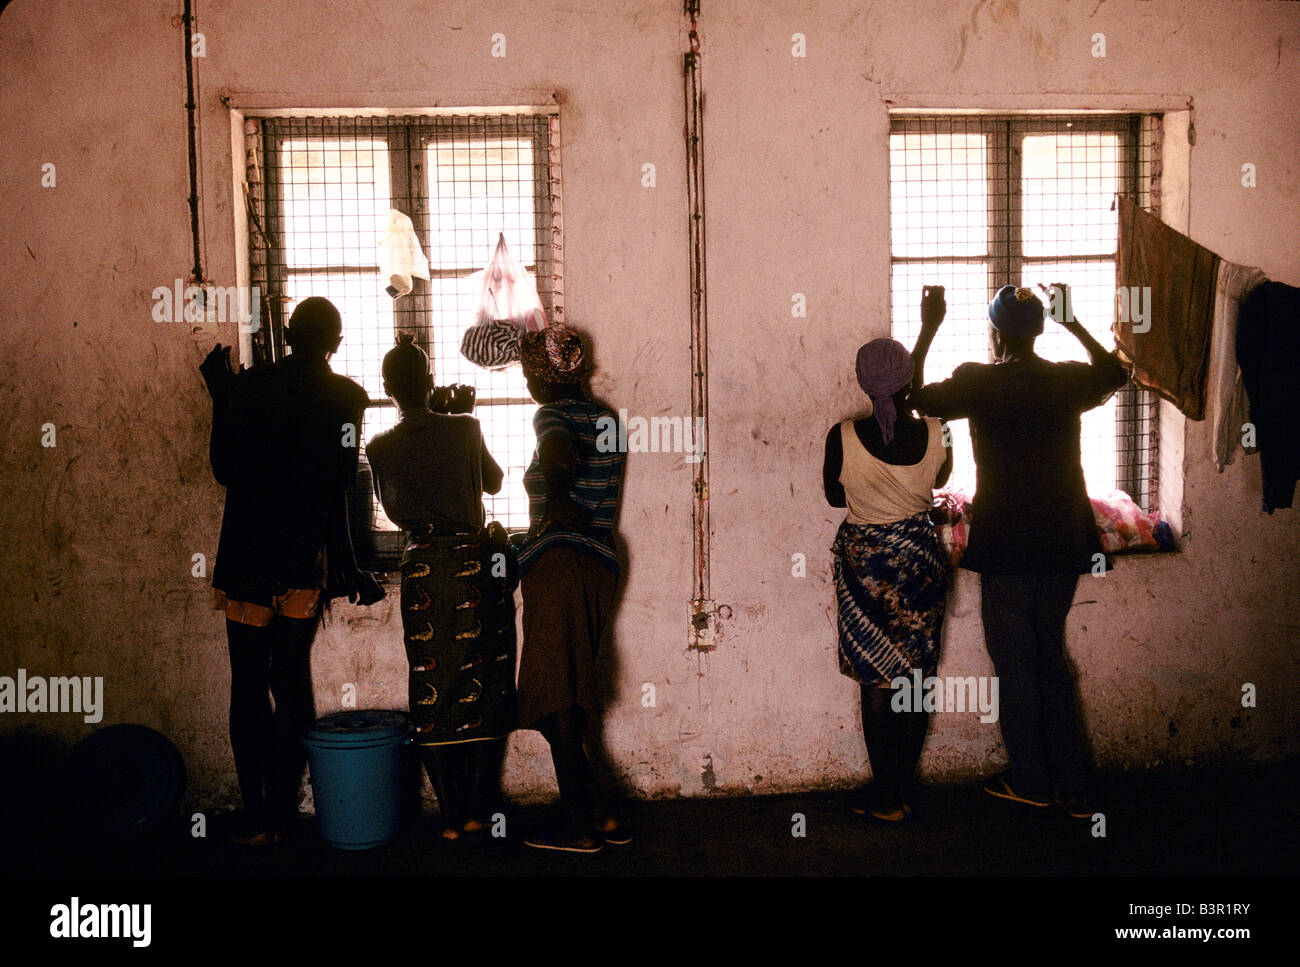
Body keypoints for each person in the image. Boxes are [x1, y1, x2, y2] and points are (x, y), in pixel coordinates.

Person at [909, 283, 1127, 818]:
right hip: (1062, 537)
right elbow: (1115, 375)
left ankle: (1031, 779)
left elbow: (916, 398)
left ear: (994, 332)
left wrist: (929, 325)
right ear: (1038, 331)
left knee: (1015, 661)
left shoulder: (979, 383)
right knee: (1049, 654)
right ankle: (1073, 787)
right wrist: (1073, 322)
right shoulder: (1066, 381)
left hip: (1007, 541)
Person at [200, 296, 385, 846]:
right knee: (291, 681)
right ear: (339, 342)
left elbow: (224, 469)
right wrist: (349, 564)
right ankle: (283, 810)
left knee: (247, 685)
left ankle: (254, 814)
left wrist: (220, 397)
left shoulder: (253, 386)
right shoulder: (349, 398)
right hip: (304, 564)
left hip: (248, 562)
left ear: (286, 332)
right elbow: (340, 484)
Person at [364, 334, 517, 841]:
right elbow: (493, 483)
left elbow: (392, 513)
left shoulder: (379, 446)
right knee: (485, 682)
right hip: (473, 567)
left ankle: (451, 817)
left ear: (387, 389)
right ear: (430, 383)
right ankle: (478, 806)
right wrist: (462, 420)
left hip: (423, 568)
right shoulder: (466, 428)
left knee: (432, 689)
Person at [823, 295, 953, 824]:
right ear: (907, 382)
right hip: (919, 561)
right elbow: (939, 484)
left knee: (877, 679)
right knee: (916, 676)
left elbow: (834, 498)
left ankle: (885, 796)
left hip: (864, 568)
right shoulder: (938, 433)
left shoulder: (844, 436)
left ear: (862, 383)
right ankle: (903, 786)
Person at [514, 325, 627, 853]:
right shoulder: (605, 417)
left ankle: (578, 827)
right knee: (572, 687)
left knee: (553, 690)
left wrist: (555, 508)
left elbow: (559, 457)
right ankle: (599, 813)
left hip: (559, 563)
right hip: (599, 563)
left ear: (542, 375)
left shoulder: (550, 413)